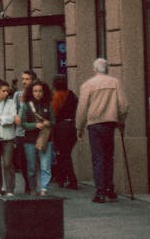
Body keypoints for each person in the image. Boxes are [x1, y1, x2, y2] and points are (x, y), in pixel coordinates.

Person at [76, 58, 128, 203]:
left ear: (94, 70)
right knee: (108, 156)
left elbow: (82, 109)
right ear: (107, 69)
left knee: (98, 157)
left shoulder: (88, 85)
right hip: (110, 123)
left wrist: (79, 127)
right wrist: (121, 122)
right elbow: (123, 105)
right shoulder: (115, 82)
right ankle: (109, 188)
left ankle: (100, 192)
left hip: (94, 125)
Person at [18, 79, 54, 196]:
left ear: (44, 92)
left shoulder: (48, 105)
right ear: (31, 92)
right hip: (30, 140)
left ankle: (44, 188)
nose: (38, 93)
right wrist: (35, 125)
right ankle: (33, 187)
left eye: (40, 91)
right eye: (35, 91)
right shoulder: (26, 106)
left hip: (45, 139)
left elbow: (54, 121)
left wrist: (48, 123)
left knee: (45, 166)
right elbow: (22, 123)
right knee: (32, 167)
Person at [51, 75, 79, 189]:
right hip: (72, 126)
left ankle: (71, 180)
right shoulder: (72, 95)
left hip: (61, 127)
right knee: (65, 154)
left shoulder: (55, 96)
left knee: (63, 154)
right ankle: (62, 178)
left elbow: (54, 113)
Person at [13, 70, 36, 193]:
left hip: (32, 132)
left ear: (32, 81)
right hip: (20, 132)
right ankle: (27, 183)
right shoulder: (18, 95)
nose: (24, 81)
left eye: (27, 79)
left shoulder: (36, 94)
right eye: (23, 79)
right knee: (22, 161)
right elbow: (14, 111)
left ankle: (33, 186)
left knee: (32, 161)